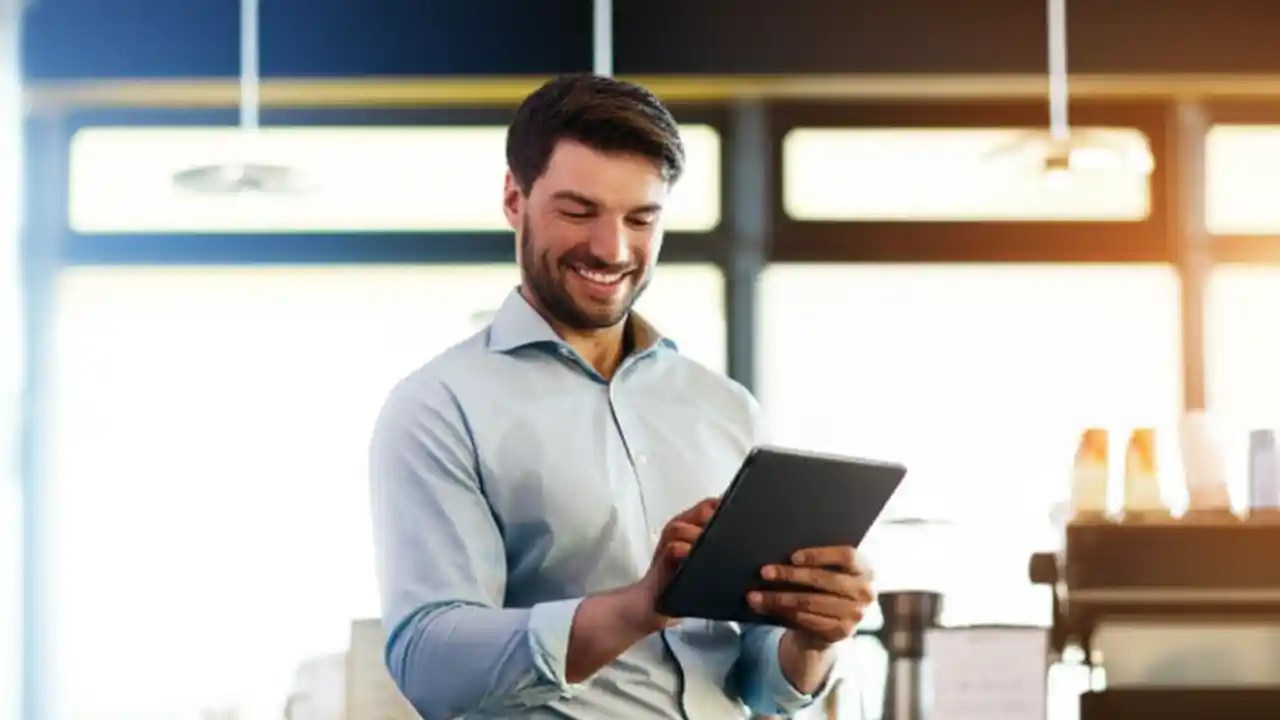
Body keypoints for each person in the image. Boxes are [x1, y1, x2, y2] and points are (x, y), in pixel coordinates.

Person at [368, 73, 874, 719]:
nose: (612, 249)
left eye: (641, 218)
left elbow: (758, 683)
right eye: (578, 212)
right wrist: (639, 607)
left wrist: (812, 635)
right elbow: (432, 665)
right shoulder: (440, 407)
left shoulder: (723, 408)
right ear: (514, 200)